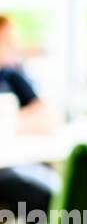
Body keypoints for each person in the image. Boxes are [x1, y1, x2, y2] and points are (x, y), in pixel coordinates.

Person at [0, 15, 60, 213]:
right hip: (5, 168)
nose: (13, 47)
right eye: (7, 40)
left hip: (19, 160)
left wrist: (9, 123)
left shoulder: (12, 75)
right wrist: (23, 120)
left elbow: (49, 118)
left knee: (60, 189)